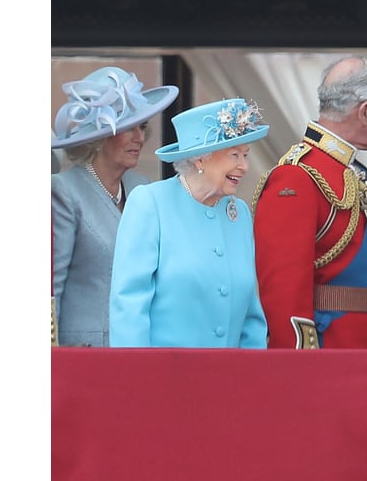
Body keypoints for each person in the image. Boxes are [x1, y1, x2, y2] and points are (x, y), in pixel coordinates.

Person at [253, 56, 367, 349]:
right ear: (364, 111)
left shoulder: (365, 180)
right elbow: (282, 294)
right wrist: (300, 368)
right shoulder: (296, 178)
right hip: (332, 359)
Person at [109, 98, 269, 348]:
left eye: (246, 155)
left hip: (229, 379)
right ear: (200, 159)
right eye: (234, 155)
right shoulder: (150, 203)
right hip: (165, 378)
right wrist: (136, 379)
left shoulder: (239, 213)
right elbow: (129, 305)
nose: (244, 166)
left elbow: (251, 315)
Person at [51, 66, 179, 347]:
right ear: (100, 135)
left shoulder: (143, 188)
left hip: (137, 351)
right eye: (128, 128)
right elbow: (52, 287)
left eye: (142, 127)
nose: (140, 138)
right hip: (83, 354)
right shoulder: (65, 191)